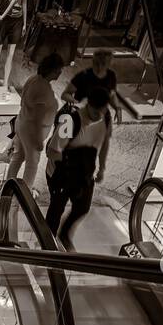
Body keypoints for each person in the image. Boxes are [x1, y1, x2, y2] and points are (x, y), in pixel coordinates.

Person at [44, 86, 113, 250]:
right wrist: (75, 160)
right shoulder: (70, 120)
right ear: (88, 104)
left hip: (84, 174)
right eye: (96, 112)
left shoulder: (106, 118)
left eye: (102, 112)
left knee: (82, 207)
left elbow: (104, 144)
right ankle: (47, 243)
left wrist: (102, 168)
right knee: (56, 209)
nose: (99, 116)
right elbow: (51, 151)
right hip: (60, 174)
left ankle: (64, 234)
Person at [6, 52, 62, 188]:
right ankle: (24, 195)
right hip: (32, 133)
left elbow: (23, 104)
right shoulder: (43, 89)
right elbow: (38, 118)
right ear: (52, 70)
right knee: (31, 165)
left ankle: (7, 188)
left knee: (17, 158)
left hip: (22, 124)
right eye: (59, 69)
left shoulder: (33, 79)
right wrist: (38, 141)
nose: (60, 72)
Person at [62, 49, 122, 123]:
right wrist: (78, 103)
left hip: (100, 115)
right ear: (92, 62)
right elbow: (65, 94)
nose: (99, 67)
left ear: (109, 64)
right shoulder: (83, 75)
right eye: (96, 63)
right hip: (83, 114)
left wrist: (117, 108)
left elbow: (112, 94)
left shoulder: (111, 76)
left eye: (103, 64)